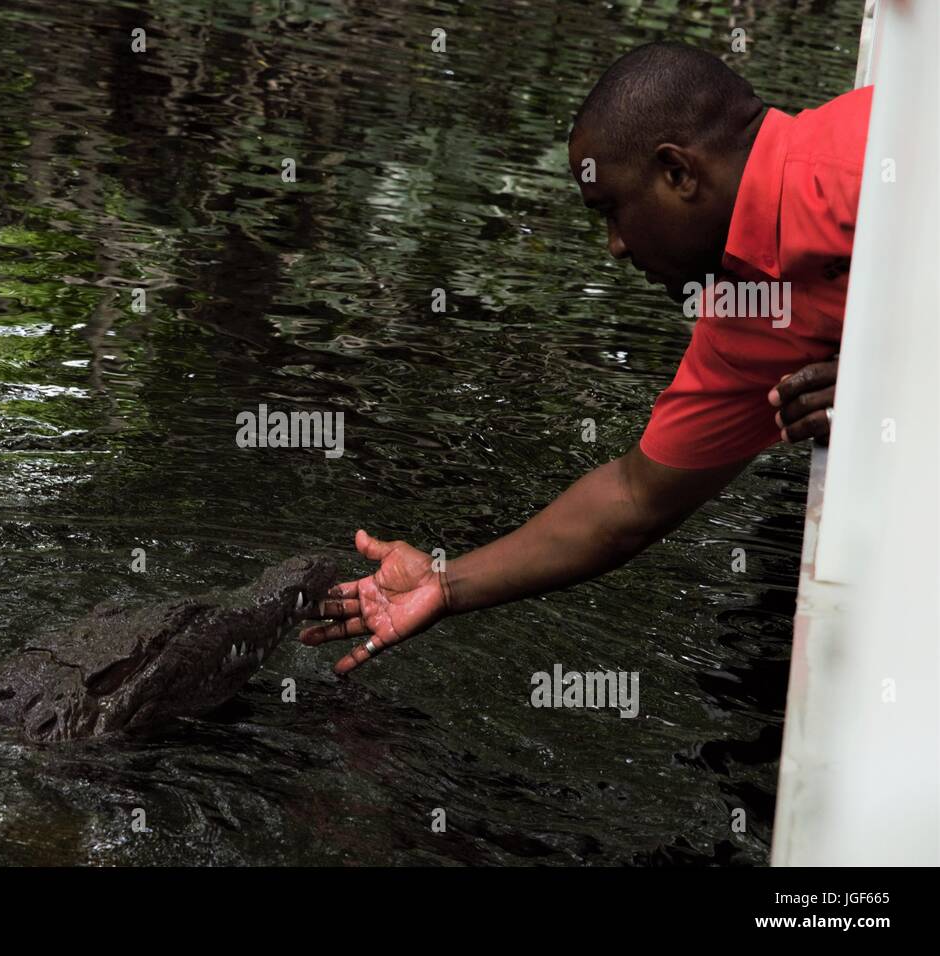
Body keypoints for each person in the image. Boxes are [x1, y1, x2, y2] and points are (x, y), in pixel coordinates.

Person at [302, 42, 871, 675]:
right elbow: (633, 497)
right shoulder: (746, 315)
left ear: (678, 173)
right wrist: (445, 583)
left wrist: (900, 381)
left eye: (613, 213)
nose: (616, 248)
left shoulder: (873, 154)